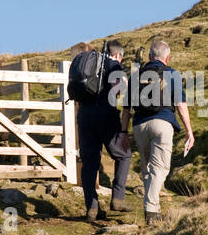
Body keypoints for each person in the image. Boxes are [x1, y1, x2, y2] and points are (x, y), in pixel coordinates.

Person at [123, 37, 194, 225]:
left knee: (147, 170)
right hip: (162, 123)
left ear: (149, 56)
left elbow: (126, 109)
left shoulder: (135, 76)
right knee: (160, 168)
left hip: (139, 126)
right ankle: (151, 211)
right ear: (167, 57)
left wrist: (123, 132)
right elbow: (180, 104)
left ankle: (155, 209)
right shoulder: (172, 74)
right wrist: (189, 130)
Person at [77, 39, 132, 221]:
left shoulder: (91, 64)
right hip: (105, 113)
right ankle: (118, 198)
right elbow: (120, 88)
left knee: (90, 163)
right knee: (123, 154)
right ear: (118, 55)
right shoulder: (113, 64)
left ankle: (92, 209)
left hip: (84, 114)